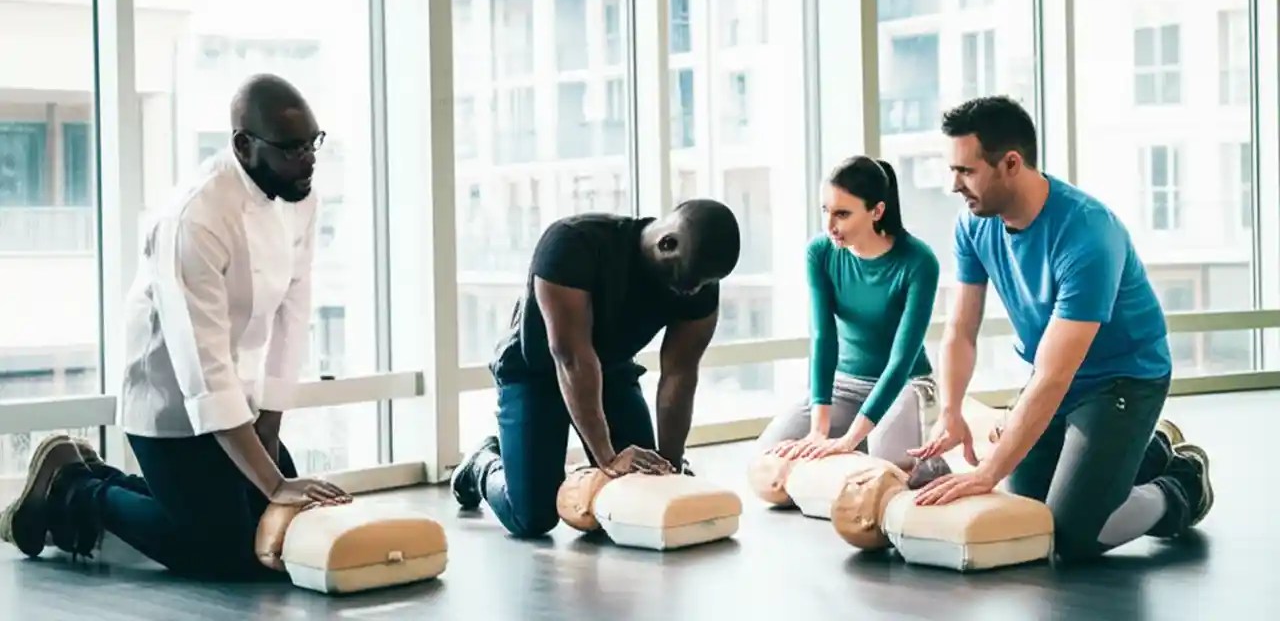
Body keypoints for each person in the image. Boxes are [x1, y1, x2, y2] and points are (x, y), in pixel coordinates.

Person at [0, 74, 350, 579]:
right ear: (243, 145)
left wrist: (269, 429)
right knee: (225, 552)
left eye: (313, 143)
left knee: (280, 534)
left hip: (239, 398)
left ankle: (97, 476)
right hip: (167, 401)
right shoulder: (197, 218)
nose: (309, 159)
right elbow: (202, 372)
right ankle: (76, 487)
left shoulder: (300, 193)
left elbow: (293, 314)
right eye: (293, 148)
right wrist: (271, 482)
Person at [908, 96, 1213, 563]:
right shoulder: (972, 225)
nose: (954, 186)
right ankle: (1146, 450)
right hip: (1055, 378)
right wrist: (950, 410)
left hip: (1123, 379)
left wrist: (987, 471)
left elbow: (1054, 375)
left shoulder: (1089, 234)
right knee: (1030, 508)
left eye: (966, 171)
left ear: (1011, 163)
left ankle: (1182, 484)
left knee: (1070, 533)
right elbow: (960, 331)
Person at [449, 201, 742, 538]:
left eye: (703, 283)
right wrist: (607, 457)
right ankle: (481, 464)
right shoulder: (571, 245)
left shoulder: (700, 282)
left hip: (611, 371)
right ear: (667, 244)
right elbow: (571, 358)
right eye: (687, 281)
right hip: (535, 372)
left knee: (639, 490)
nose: (693, 291)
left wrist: (670, 467)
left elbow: (680, 373)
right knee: (532, 517)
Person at [756, 156, 940, 473]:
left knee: (882, 469)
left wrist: (849, 439)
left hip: (906, 385)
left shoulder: (919, 261)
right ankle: (857, 447)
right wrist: (819, 428)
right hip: (846, 385)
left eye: (842, 214)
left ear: (877, 211)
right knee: (770, 460)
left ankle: (917, 460)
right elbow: (823, 338)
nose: (830, 227)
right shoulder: (820, 252)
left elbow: (901, 361)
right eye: (826, 211)